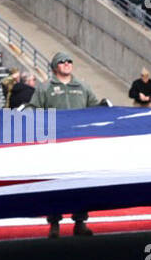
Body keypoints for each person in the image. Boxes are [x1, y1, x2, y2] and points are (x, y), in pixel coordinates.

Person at [29, 52, 106, 236]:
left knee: (80, 183)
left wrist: (103, 107)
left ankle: (80, 221)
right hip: (55, 144)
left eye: (69, 61)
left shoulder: (82, 86)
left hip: (78, 144)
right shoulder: (45, 88)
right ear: (55, 66)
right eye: (62, 61)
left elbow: (93, 107)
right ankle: (54, 223)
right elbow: (34, 108)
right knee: (55, 184)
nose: (67, 64)